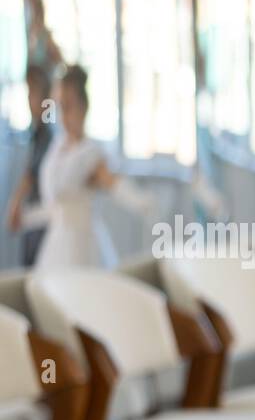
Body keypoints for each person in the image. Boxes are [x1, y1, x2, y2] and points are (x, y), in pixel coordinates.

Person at [20, 65, 156, 269]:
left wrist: (145, 204)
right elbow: (54, 207)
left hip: (80, 248)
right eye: (60, 106)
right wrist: (26, 218)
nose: (64, 115)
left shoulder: (90, 153)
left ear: (83, 107)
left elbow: (114, 184)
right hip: (55, 245)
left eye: (69, 106)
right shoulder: (57, 147)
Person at [5, 64, 54, 267]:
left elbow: (31, 175)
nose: (28, 99)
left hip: (42, 219)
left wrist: (14, 205)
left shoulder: (48, 134)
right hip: (33, 217)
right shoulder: (36, 133)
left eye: (32, 93)